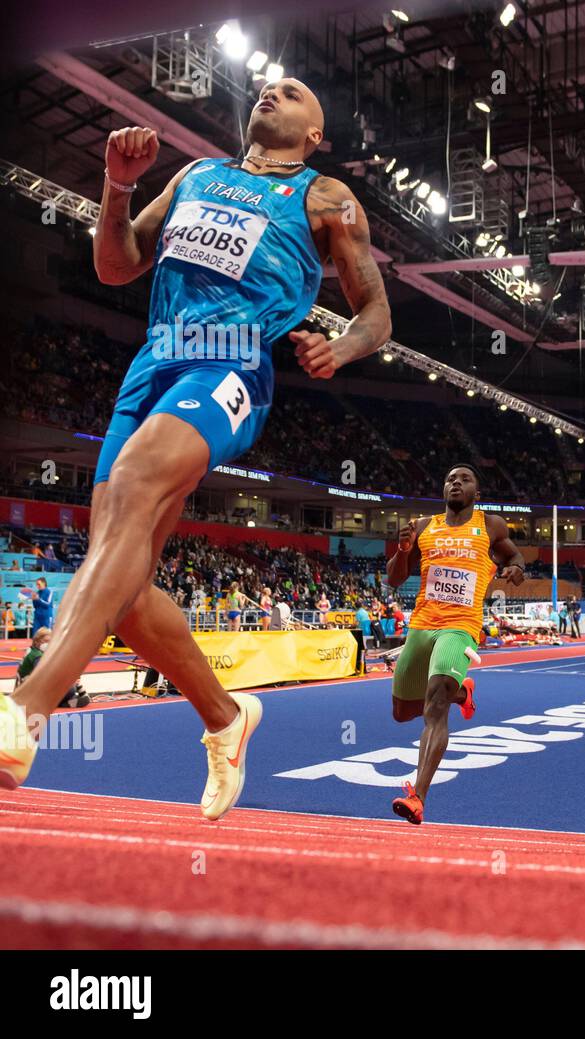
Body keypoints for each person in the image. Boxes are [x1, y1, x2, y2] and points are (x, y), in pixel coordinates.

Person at [0, 79, 393, 818]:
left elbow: (376, 312)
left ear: (315, 135)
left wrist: (341, 348)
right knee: (116, 580)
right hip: (152, 364)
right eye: (268, 86)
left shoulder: (325, 197)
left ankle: (24, 711)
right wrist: (117, 187)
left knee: (135, 488)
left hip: (231, 363)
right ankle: (225, 715)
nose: (273, 90)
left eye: (296, 91)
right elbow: (116, 265)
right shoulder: (194, 175)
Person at [385, 465, 526, 825]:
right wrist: (403, 550)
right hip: (422, 624)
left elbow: (515, 557)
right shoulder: (422, 527)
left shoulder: (490, 525)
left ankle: (417, 796)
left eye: (464, 479)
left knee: (435, 707)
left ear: (476, 492)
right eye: (449, 478)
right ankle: (462, 691)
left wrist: (516, 570)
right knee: (402, 712)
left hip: (460, 627)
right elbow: (395, 578)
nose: (456, 483)